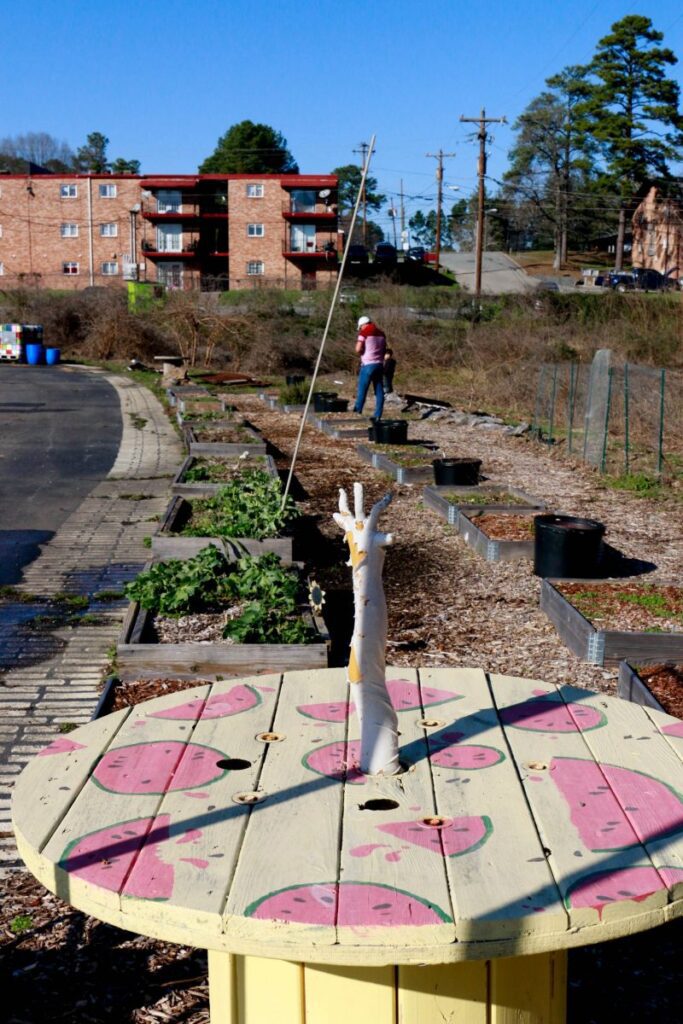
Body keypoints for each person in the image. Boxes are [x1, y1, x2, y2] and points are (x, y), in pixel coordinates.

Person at [353, 315, 386, 419]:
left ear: (363, 325)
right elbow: (384, 349)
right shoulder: (382, 334)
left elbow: (358, 349)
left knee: (362, 390)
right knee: (379, 390)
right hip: (379, 365)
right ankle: (378, 415)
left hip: (367, 365)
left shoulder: (364, 333)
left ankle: (357, 412)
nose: (360, 329)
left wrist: (362, 351)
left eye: (360, 327)